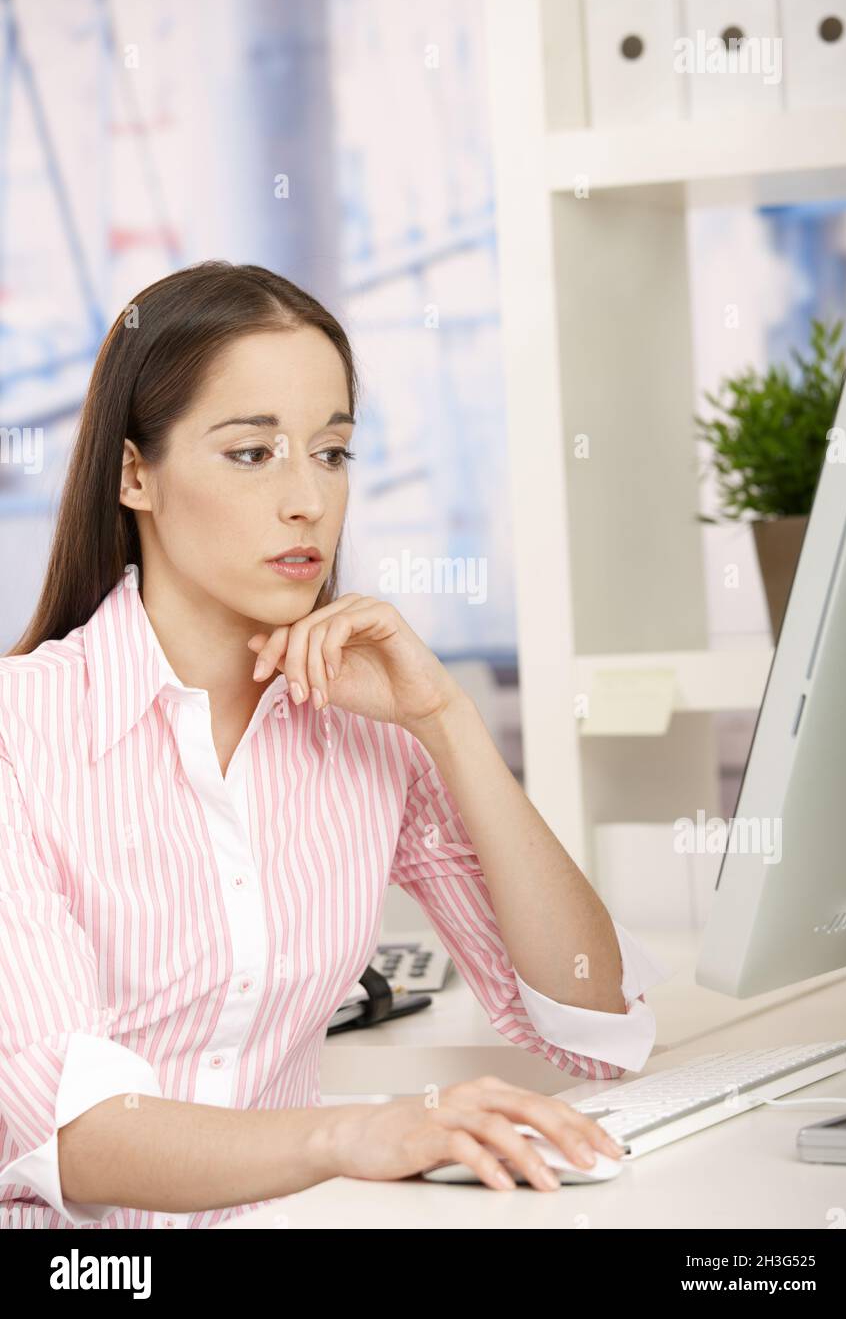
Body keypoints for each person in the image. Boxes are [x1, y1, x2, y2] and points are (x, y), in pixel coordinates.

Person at [0, 261, 670, 1229]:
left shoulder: (367, 731)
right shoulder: (21, 733)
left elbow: (591, 1021)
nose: (307, 500)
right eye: (251, 453)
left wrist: (445, 720)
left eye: (331, 451)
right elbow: (69, 1131)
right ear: (134, 472)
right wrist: (348, 1133)